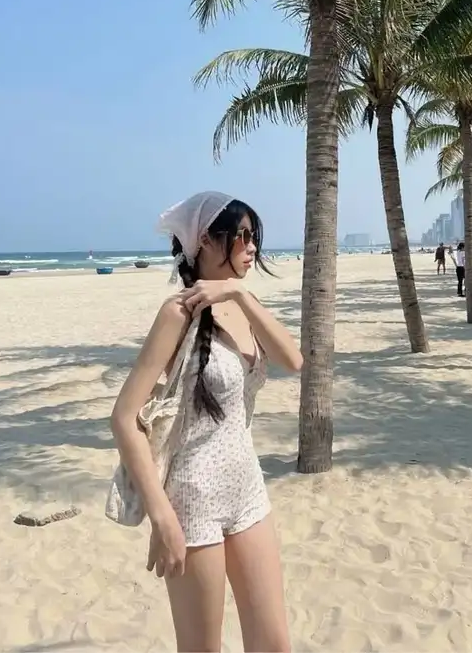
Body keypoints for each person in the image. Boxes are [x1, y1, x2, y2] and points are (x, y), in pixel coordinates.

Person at [110, 192, 302, 652]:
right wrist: (162, 517)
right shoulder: (177, 313)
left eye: (254, 237)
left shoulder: (242, 303)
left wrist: (238, 293)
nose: (251, 246)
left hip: (247, 488)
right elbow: (124, 418)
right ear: (205, 242)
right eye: (241, 236)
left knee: (274, 643)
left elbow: (294, 361)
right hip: (192, 500)